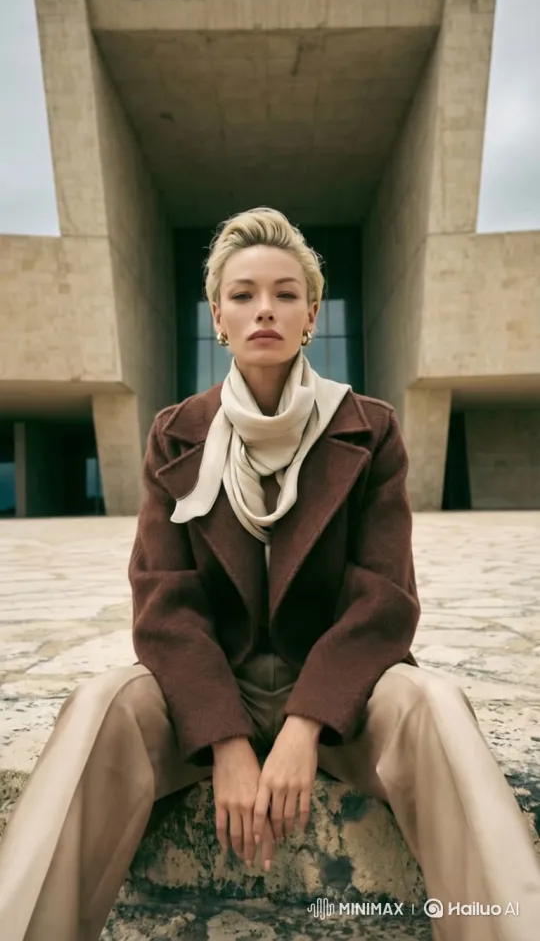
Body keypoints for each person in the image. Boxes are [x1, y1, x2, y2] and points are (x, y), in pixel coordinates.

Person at [0, 207, 538, 941]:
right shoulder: (175, 432)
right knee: (101, 703)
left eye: (286, 294)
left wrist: (302, 725)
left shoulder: (368, 426)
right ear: (217, 317)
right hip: (206, 691)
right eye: (245, 294)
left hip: (341, 694)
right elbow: (164, 601)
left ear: (312, 316)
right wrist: (225, 739)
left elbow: (383, 598)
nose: (265, 310)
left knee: (437, 703)